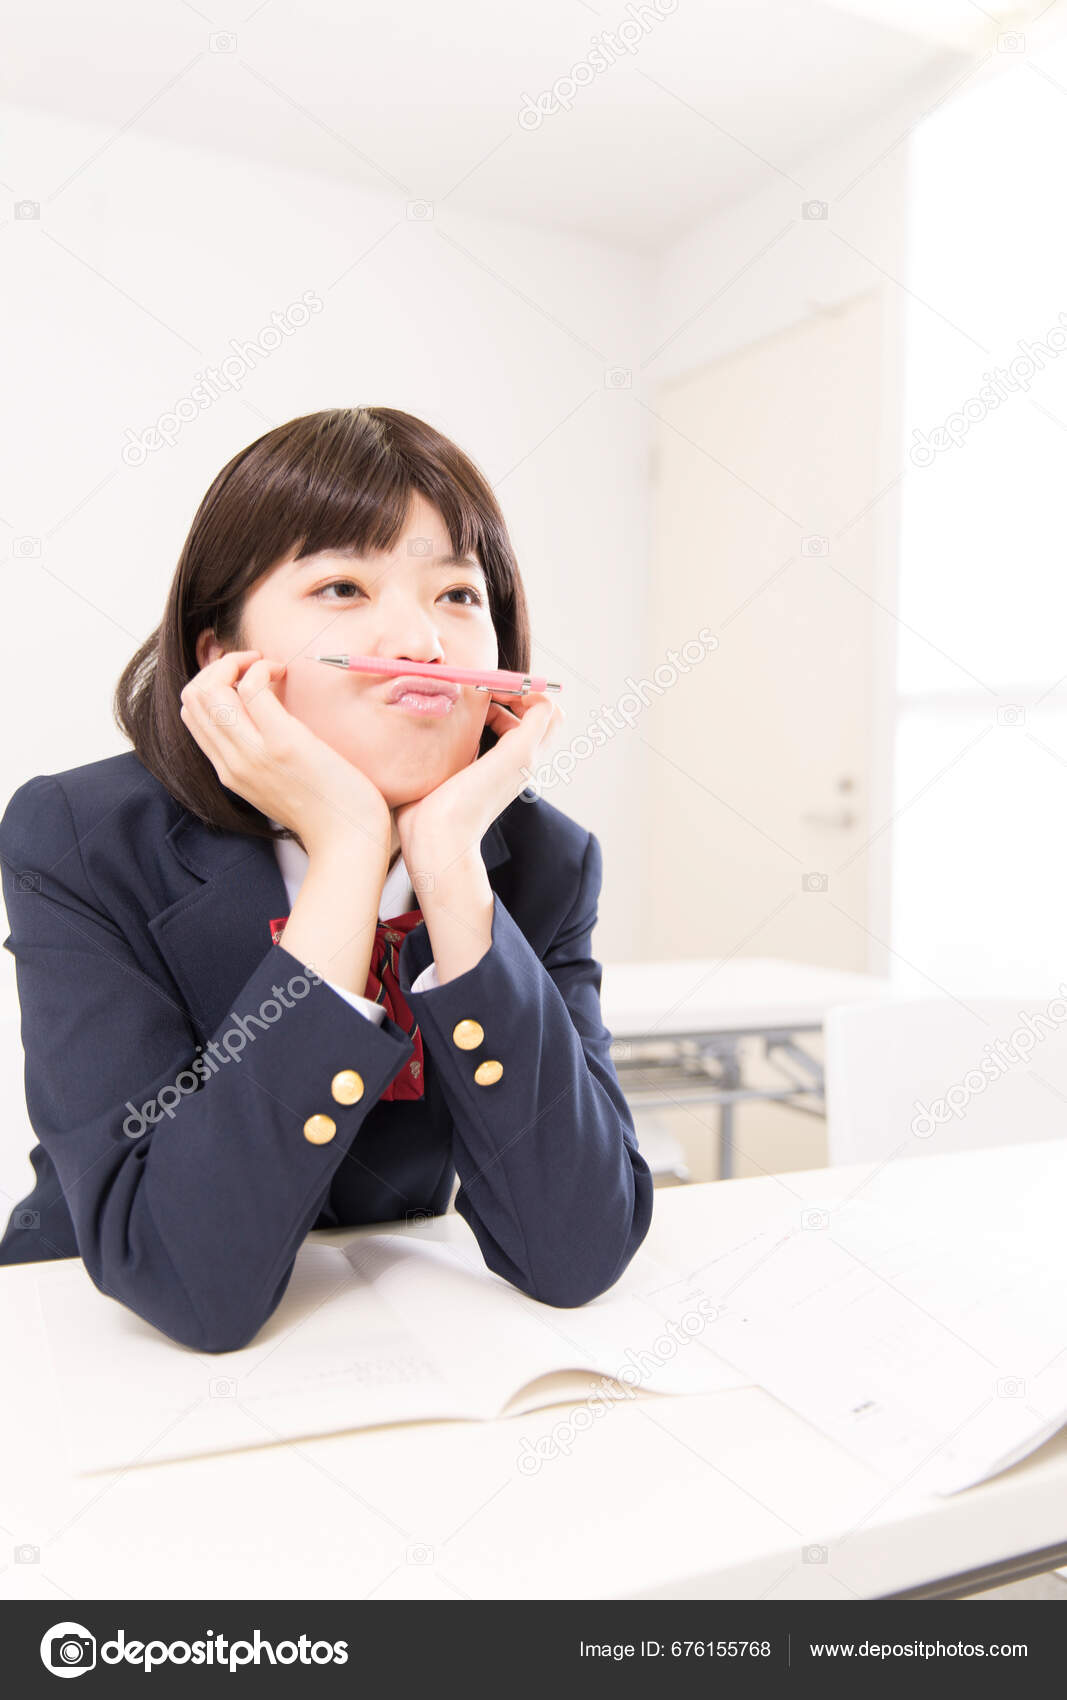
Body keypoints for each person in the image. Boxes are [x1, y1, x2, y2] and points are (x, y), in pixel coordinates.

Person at [0, 405, 653, 1352]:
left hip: (378, 1327)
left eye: (459, 597)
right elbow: (183, 1282)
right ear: (224, 660)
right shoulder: (80, 838)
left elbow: (576, 1254)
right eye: (343, 586)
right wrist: (348, 853)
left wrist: (448, 869)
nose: (422, 643)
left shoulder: (545, 861)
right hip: (80, 1337)